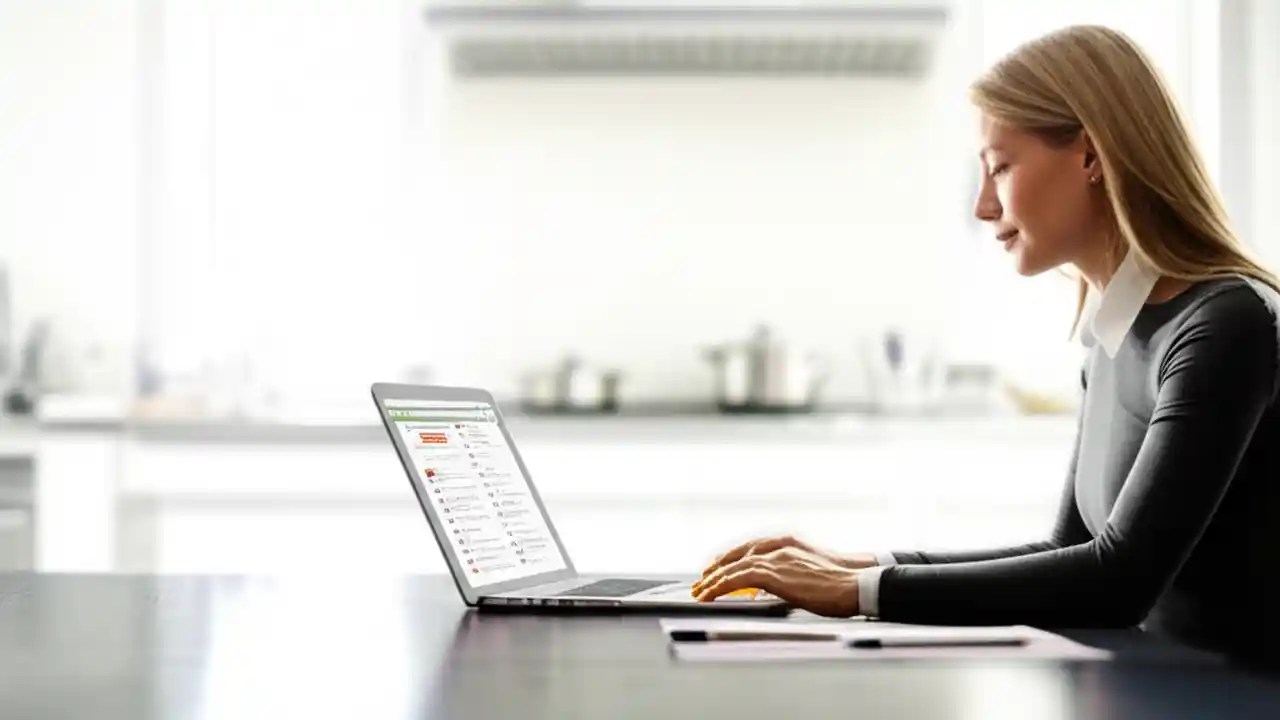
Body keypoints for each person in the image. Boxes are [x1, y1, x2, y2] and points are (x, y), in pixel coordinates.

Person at [692, 24, 1280, 667]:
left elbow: (1117, 582)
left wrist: (857, 590)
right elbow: (1069, 546)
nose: (982, 204)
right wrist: (858, 563)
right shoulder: (1114, 336)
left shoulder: (1227, 324)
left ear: (1091, 155)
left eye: (1000, 166)